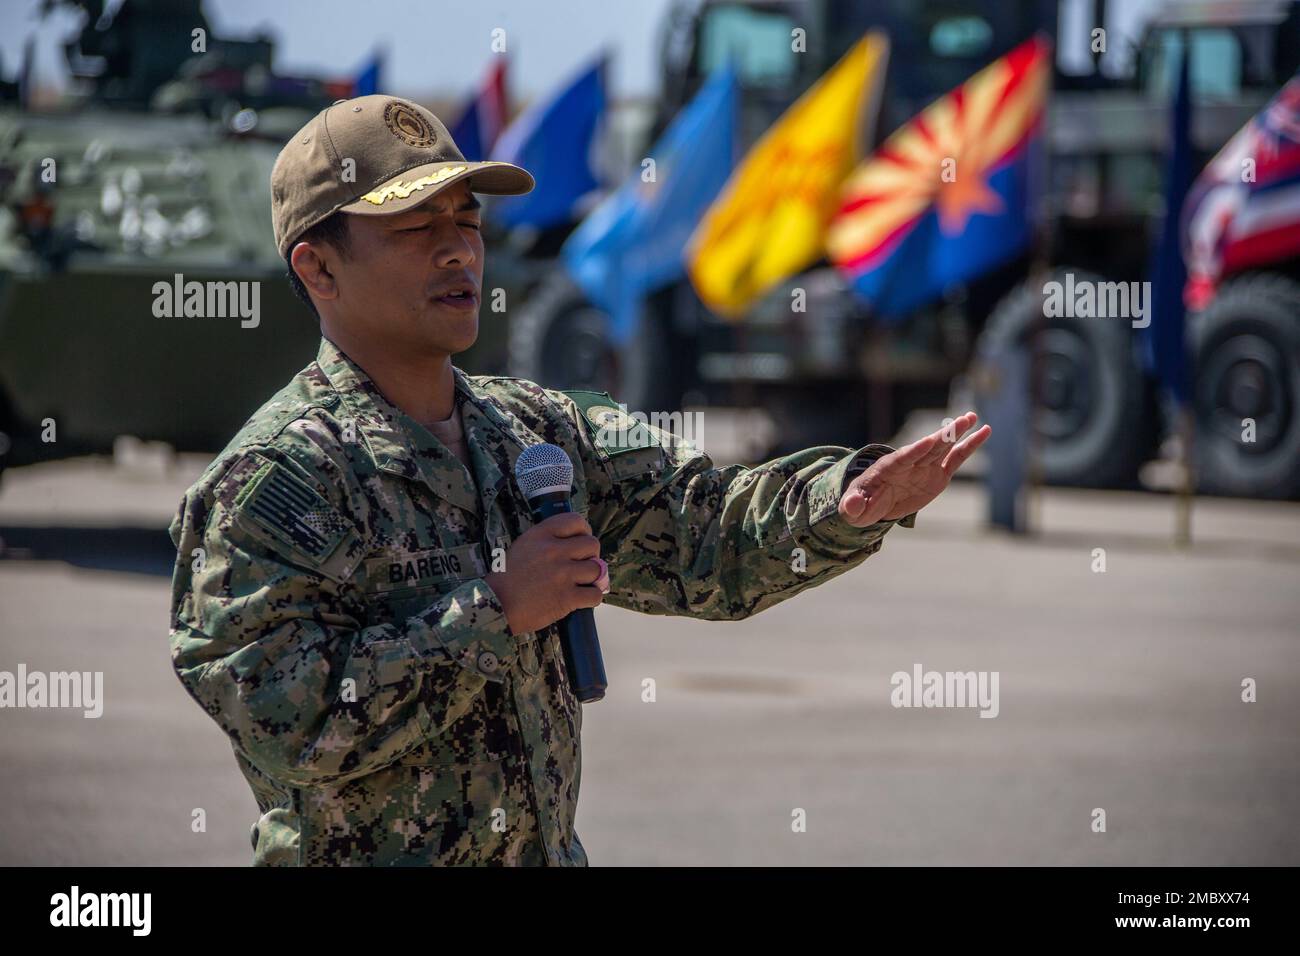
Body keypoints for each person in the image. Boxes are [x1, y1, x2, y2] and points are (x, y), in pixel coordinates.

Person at [166, 95, 990, 866]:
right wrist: (498, 610)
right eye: (416, 226)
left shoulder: (537, 430)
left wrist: (844, 502)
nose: (459, 249)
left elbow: (701, 534)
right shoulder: (275, 483)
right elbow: (291, 724)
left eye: (467, 219)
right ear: (318, 269)